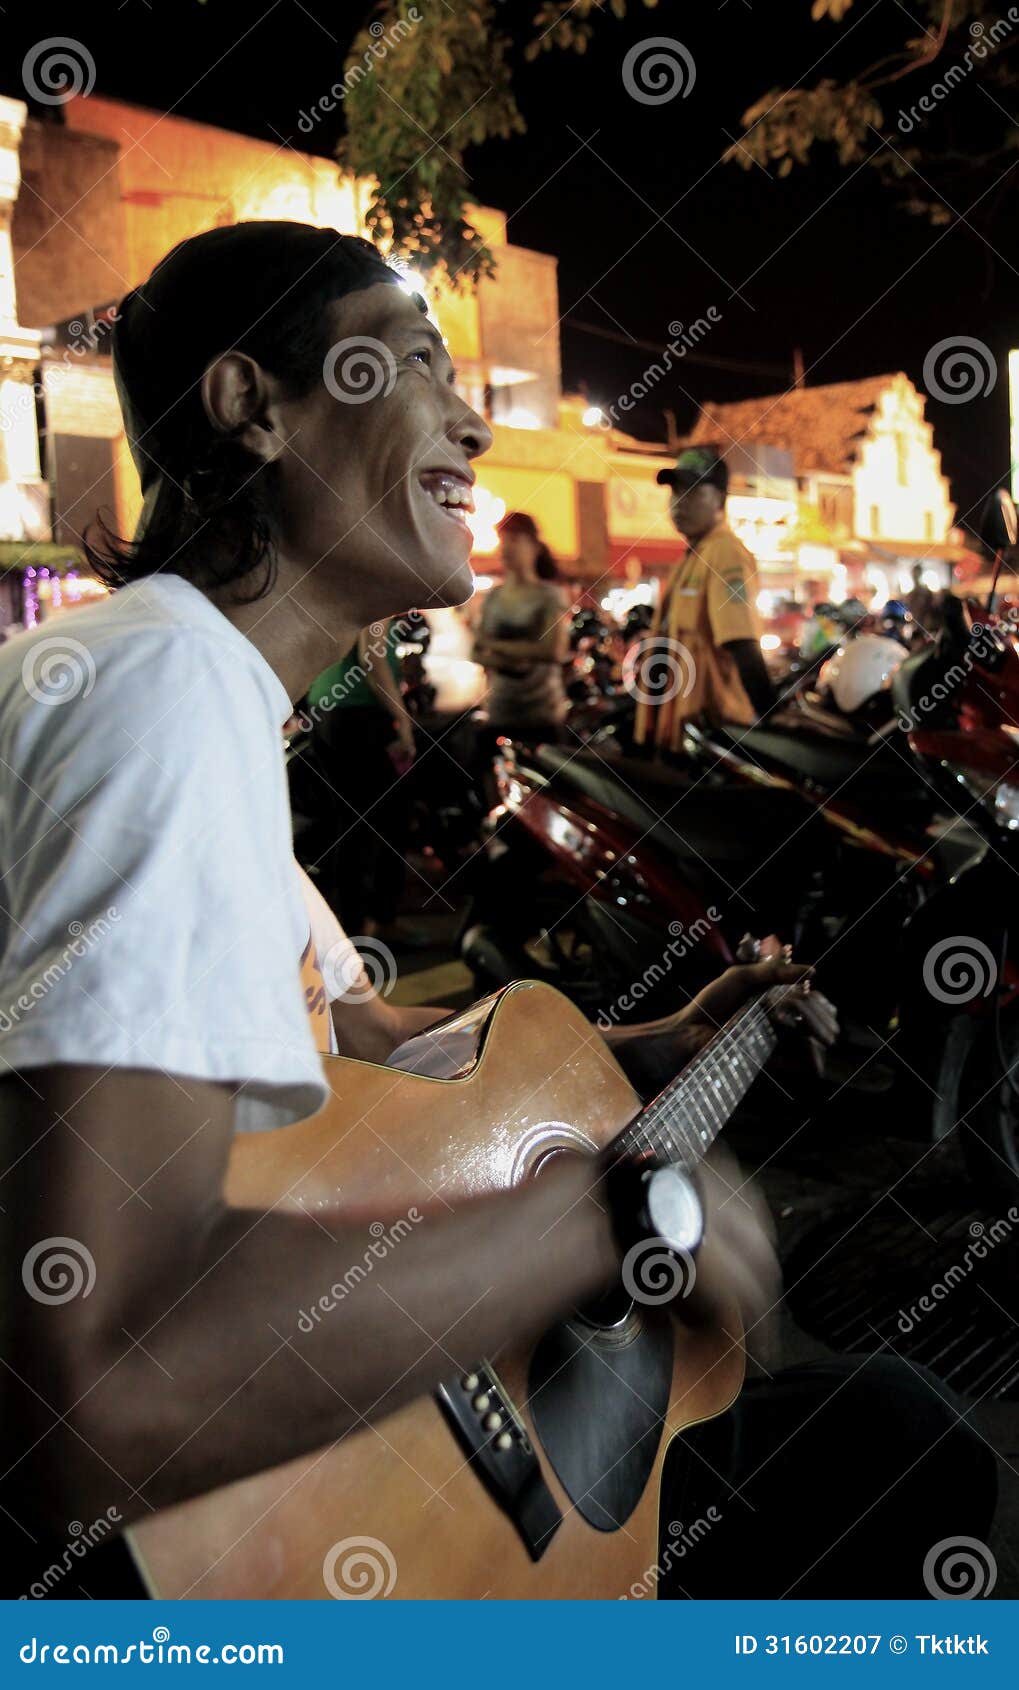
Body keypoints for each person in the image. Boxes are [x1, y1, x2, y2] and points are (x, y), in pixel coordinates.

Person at [0, 223, 994, 1600]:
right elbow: (102, 1380)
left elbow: (341, 1037)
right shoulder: (157, 686)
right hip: (206, 1547)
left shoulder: (189, 691)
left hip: (365, 1431)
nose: (469, 417)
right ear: (253, 407)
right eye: (408, 362)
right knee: (892, 1441)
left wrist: (652, 1046)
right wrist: (618, 1218)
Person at [633, 447, 777, 756]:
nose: (678, 502)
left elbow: (742, 642)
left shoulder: (725, 554)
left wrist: (772, 719)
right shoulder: (694, 556)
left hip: (711, 735)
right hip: (680, 733)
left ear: (720, 499)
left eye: (692, 491)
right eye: (675, 492)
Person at [304, 617, 418, 944]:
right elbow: (372, 659)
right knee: (392, 821)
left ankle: (348, 927)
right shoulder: (382, 592)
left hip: (326, 709)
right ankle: (380, 922)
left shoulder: (346, 591)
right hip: (360, 716)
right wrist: (402, 717)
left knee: (349, 822)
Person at [473, 510, 568, 741]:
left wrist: (495, 647)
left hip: (543, 716)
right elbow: (476, 652)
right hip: (499, 712)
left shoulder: (549, 596)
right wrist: (519, 655)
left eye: (514, 540)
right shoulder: (493, 598)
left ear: (534, 547)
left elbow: (553, 651)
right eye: (503, 541)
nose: (506, 548)